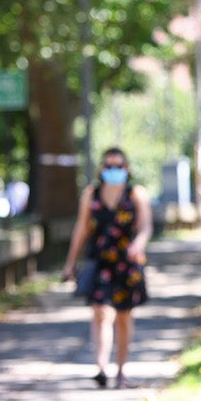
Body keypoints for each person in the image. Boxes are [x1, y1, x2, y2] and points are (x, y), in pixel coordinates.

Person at [61, 148, 152, 388]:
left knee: (123, 316)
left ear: (127, 168)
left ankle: (121, 371)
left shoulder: (136, 194)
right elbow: (81, 229)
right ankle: (101, 367)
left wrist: (138, 244)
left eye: (118, 166)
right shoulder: (91, 194)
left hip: (127, 262)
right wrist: (70, 263)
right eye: (109, 166)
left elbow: (145, 227)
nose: (114, 171)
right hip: (100, 260)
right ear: (102, 168)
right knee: (100, 312)